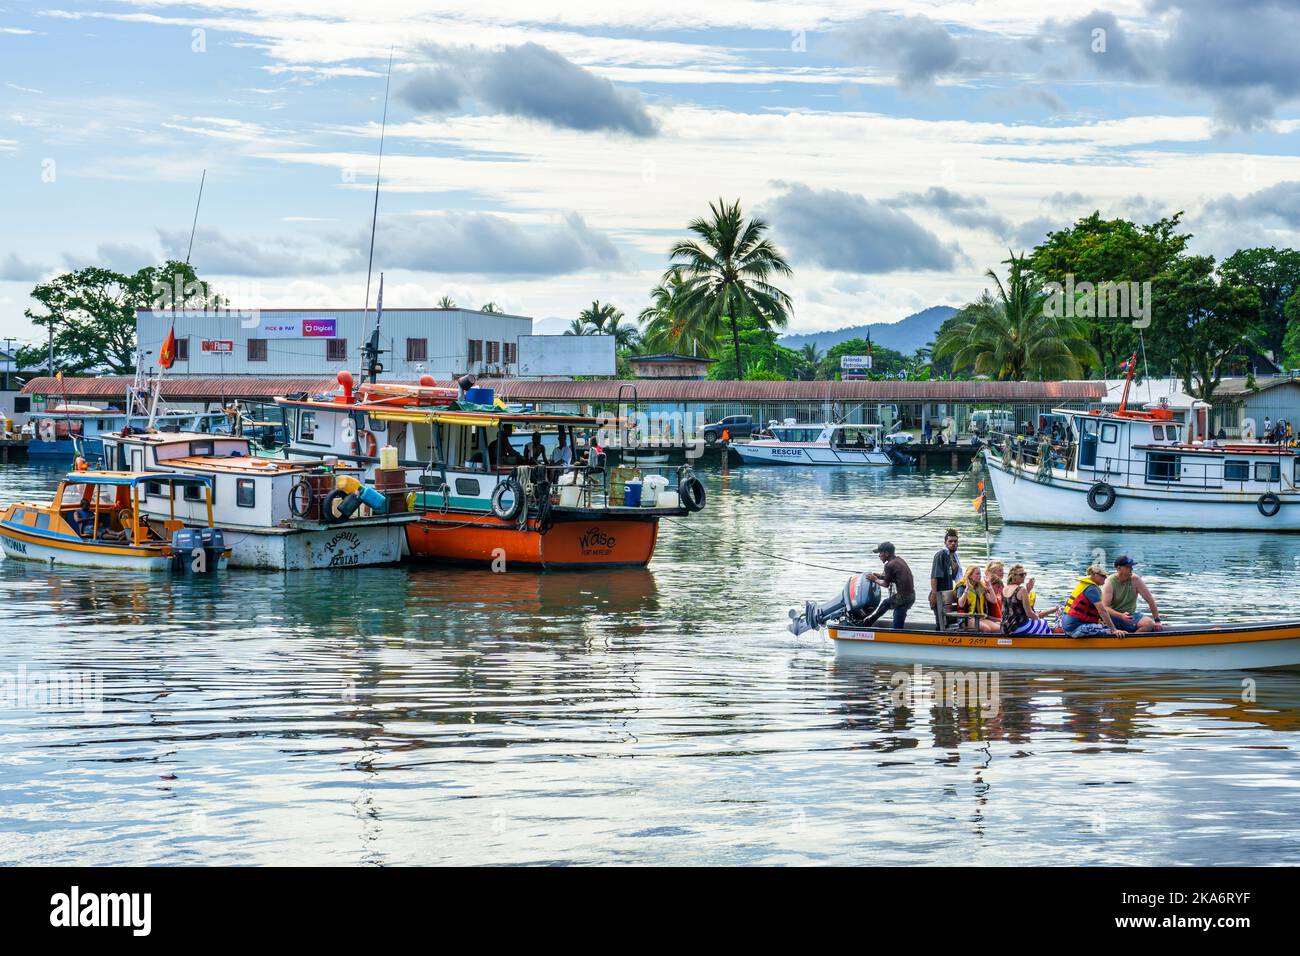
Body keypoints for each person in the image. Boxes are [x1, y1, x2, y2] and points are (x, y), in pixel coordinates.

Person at [861, 542, 916, 629]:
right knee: (898, 613)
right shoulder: (899, 560)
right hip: (911, 596)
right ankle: (897, 633)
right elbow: (895, 576)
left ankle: (870, 622)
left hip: (903, 597)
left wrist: (875, 579)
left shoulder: (889, 565)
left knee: (886, 603)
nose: (879, 556)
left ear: (886, 553)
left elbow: (886, 584)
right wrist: (880, 576)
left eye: (880, 553)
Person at [1102, 555, 1162, 632]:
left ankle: (1130, 641)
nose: (1131, 569)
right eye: (1128, 567)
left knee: (1149, 624)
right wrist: (1121, 616)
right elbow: (1105, 608)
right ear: (1118, 568)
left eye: (1131, 567)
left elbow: (1150, 600)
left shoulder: (1136, 580)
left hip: (1130, 615)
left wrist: (1157, 621)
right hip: (1113, 617)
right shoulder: (1109, 582)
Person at [1062, 564, 1122, 636]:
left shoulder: (1083, 584)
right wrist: (1114, 630)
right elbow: (1102, 611)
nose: (1105, 578)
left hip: (1068, 626)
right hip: (1075, 628)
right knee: (1110, 630)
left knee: (1110, 625)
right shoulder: (1091, 589)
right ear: (1095, 575)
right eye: (1103, 576)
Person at [1000, 564, 1056, 635]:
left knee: (1038, 623)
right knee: (1043, 623)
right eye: (1021, 575)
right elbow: (1029, 614)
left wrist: (1028, 590)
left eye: (1024, 574)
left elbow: (1015, 604)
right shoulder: (1022, 590)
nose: (1024, 576)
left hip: (1004, 628)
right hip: (1017, 628)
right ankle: (1050, 644)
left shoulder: (1005, 588)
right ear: (1013, 576)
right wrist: (1038, 617)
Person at [929, 528, 962, 626]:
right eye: (950, 541)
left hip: (948, 595)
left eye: (955, 541)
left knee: (949, 623)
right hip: (938, 595)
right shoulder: (941, 555)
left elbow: (957, 577)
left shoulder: (953, 557)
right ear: (945, 543)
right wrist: (934, 595)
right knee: (941, 624)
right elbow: (934, 576)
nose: (953, 543)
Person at [954, 565, 999, 632]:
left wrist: (989, 586)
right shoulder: (962, 586)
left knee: (999, 628)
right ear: (970, 575)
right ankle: (981, 642)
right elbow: (961, 604)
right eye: (977, 574)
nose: (980, 576)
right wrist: (966, 591)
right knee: (986, 629)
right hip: (966, 619)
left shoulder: (980, 587)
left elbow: (994, 601)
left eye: (980, 573)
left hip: (979, 617)